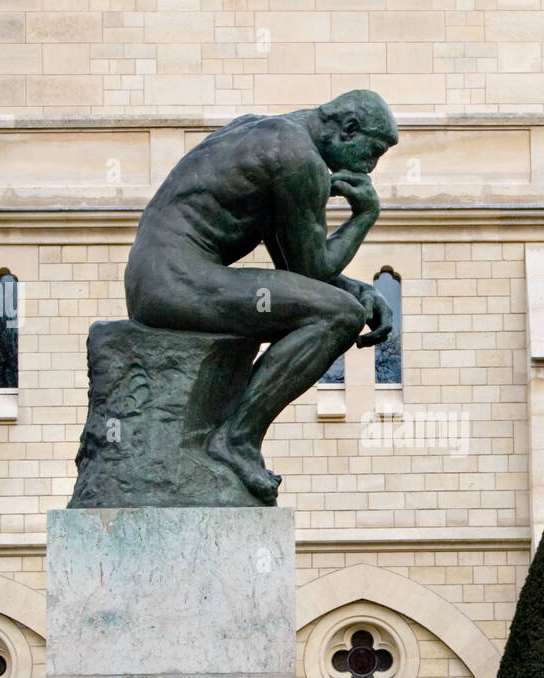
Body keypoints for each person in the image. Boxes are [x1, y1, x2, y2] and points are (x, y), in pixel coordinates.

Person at [124, 90, 398, 503]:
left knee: (341, 303)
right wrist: (364, 216)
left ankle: (233, 438)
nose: (370, 167)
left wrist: (359, 287)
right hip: (174, 281)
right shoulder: (299, 158)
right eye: (372, 151)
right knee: (339, 316)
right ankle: (237, 439)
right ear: (349, 129)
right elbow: (313, 271)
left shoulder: (268, 133)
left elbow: (295, 264)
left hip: (157, 278)